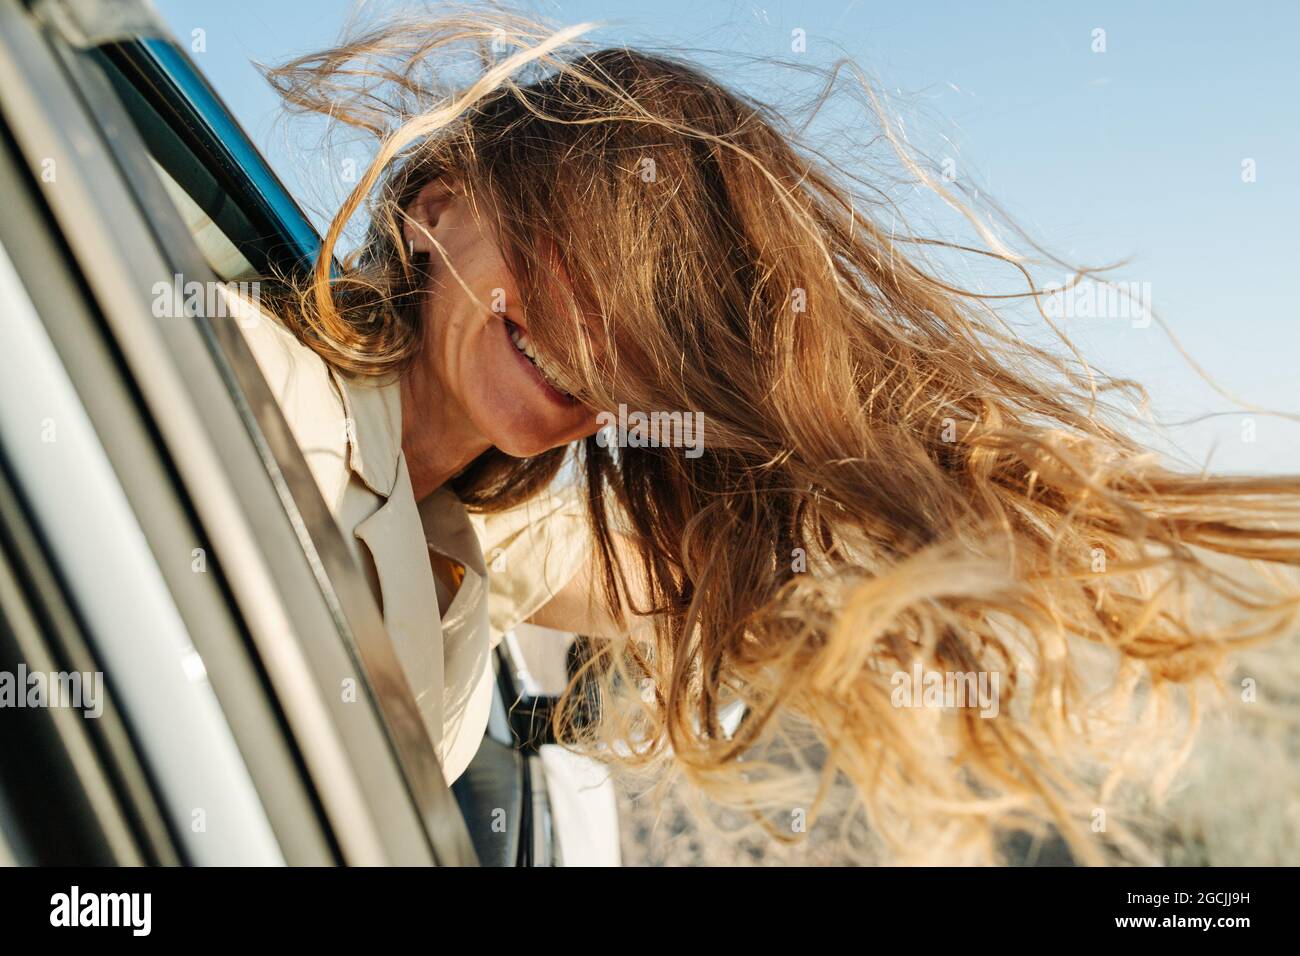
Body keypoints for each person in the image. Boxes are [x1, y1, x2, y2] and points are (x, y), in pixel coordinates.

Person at [247, 6, 1300, 864]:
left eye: (654, 316)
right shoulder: (261, 393)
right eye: (569, 248)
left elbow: (715, 583)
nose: (595, 334)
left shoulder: (477, 528)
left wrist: (985, 529)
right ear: (437, 208)